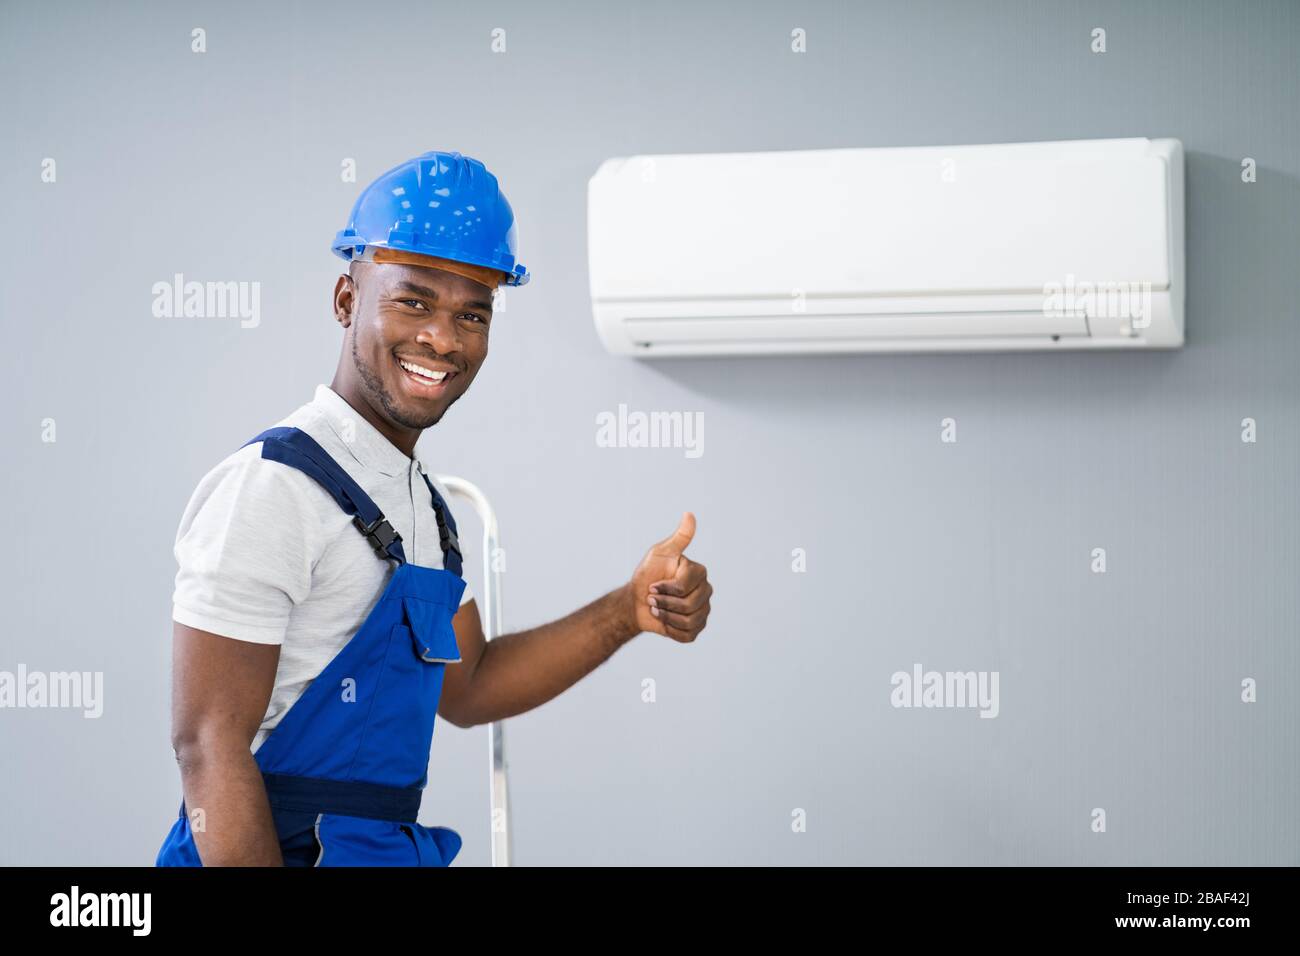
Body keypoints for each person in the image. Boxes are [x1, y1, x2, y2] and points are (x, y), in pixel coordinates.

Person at [155, 150, 713, 867]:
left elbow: (471, 685)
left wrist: (628, 609)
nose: (443, 339)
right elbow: (206, 744)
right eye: (413, 300)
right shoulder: (272, 489)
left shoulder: (426, 506)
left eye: (471, 314)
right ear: (346, 300)